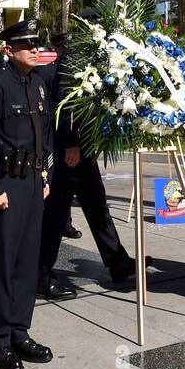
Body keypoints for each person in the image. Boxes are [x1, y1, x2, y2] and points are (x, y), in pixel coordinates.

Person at [0, 19, 53, 369]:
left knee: (26, 262)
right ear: (9, 50)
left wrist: (45, 174)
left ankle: (20, 331)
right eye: (27, 45)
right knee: (4, 265)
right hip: (6, 183)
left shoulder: (37, 84)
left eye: (37, 44)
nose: (35, 49)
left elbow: (45, 133)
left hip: (33, 182)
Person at [37, 31, 136, 300]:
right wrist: (71, 143)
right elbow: (65, 102)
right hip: (70, 149)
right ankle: (41, 274)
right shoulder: (74, 56)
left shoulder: (89, 54)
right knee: (57, 213)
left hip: (82, 148)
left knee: (96, 204)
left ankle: (118, 262)